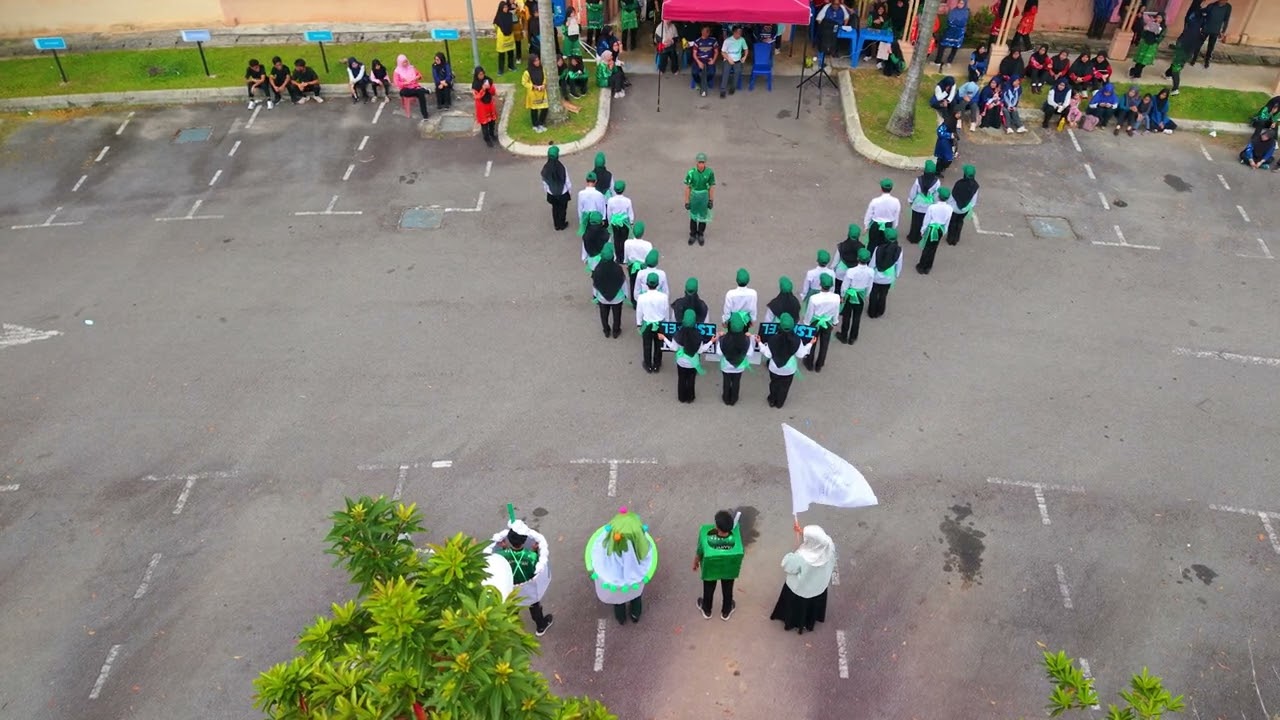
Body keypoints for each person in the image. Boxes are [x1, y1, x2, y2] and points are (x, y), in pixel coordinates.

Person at [586, 507, 657, 625]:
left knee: (618, 599)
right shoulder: (640, 550)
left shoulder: (608, 551)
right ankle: (635, 614)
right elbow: (647, 553)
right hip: (636, 578)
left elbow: (601, 552)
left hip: (613, 576)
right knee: (636, 595)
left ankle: (621, 618)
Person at [487, 513, 554, 636]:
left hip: (511, 590)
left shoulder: (502, 555)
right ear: (524, 540)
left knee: (513, 609)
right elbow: (535, 568)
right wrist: (534, 550)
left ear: (508, 540)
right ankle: (541, 626)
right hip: (528, 589)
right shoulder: (532, 557)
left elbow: (504, 560)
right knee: (534, 607)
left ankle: (513, 629)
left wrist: (504, 548)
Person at [769, 523, 836, 635]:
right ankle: (809, 622)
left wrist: (793, 554)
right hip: (818, 588)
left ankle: (792, 622)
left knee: (795, 606)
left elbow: (787, 566)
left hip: (799, 589)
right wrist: (801, 531)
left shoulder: (802, 557)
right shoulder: (828, 546)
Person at [758, 313, 816, 409]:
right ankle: (780, 403)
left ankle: (772, 400)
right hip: (789, 368)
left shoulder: (772, 339)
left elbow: (767, 354)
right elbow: (801, 354)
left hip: (774, 368)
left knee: (773, 383)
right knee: (785, 387)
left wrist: (759, 342)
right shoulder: (797, 340)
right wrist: (810, 343)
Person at [694, 511, 743, 620]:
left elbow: (699, 551)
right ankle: (726, 611)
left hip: (711, 570)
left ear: (717, 526)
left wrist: (695, 562)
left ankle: (707, 610)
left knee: (708, 589)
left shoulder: (706, 535)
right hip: (728, 570)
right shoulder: (735, 539)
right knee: (727, 589)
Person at [661, 310, 716, 403]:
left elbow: (674, 348)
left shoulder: (677, 335)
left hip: (681, 362)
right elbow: (701, 350)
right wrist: (711, 341)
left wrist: (664, 338)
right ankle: (690, 397)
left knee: (681, 379)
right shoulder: (698, 336)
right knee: (691, 380)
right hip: (693, 363)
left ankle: (681, 397)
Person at [801, 273, 839, 373]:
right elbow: (836, 311)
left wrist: (806, 323)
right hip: (828, 322)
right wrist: (835, 321)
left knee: (812, 342)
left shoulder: (814, 298)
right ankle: (819, 364)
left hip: (815, 322)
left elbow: (809, 312)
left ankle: (809, 363)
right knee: (824, 344)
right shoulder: (836, 297)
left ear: (820, 285)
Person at [636, 272, 671, 373]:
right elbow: (666, 311)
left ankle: (648, 364)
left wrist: (639, 323)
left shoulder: (642, 297)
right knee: (658, 344)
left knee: (647, 345)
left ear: (647, 284)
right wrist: (667, 323)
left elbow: (639, 312)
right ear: (657, 283)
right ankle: (657, 364)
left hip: (647, 324)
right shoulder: (664, 297)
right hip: (659, 324)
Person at [592, 241, 627, 338]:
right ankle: (616, 331)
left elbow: (595, 284)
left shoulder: (597, 269)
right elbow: (623, 282)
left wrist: (595, 295)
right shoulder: (618, 268)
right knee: (617, 314)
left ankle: (606, 330)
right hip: (617, 297)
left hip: (602, 297)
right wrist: (625, 294)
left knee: (604, 314)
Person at [915, 187, 954, 275]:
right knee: (933, 248)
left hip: (931, 229)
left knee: (927, 247)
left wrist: (923, 230)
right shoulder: (950, 208)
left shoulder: (932, 207)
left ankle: (921, 266)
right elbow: (947, 221)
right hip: (940, 229)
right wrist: (944, 231)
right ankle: (928, 266)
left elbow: (927, 220)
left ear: (939, 196)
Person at [838, 249, 873, 344]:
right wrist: (866, 295)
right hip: (861, 295)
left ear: (858, 258)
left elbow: (845, 285)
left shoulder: (851, 271)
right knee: (857, 317)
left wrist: (842, 295)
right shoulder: (871, 272)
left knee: (846, 316)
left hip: (850, 295)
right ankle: (853, 337)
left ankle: (844, 335)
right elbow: (870, 285)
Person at [716, 316, 753, 405]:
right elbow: (749, 353)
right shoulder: (746, 339)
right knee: (736, 381)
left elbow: (719, 353)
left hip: (726, 366)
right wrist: (750, 338)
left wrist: (719, 337)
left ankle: (726, 398)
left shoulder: (723, 339)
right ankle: (734, 399)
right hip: (739, 366)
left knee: (726, 381)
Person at [867, 228, 903, 319]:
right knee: (883, 294)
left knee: (874, 293)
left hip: (876, 277)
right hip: (888, 277)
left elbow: (872, 263)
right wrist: (896, 274)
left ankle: (872, 311)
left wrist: (869, 273)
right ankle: (880, 310)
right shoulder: (899, 250)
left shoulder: (878, 248)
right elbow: (899, 264)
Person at [684, 153, 716, 246]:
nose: (701, 164)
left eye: (703, 162)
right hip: (694, 197)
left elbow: (711, 187)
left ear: (705, 163)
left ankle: (700, 234)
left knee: (703, 218)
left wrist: (711, 200)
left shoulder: (709, 172)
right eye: (699, 162)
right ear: (696, 163)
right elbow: (688, 188)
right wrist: (686, 201)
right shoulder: (691, 173)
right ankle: (693, 234)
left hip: (704, 198)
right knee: (693, 217)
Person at [907, 161, 941, 244]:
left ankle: (913, 237)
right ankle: (921, 237)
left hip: (917, 205)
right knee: (925, 222)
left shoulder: (918, 180)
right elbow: (936, 195)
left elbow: (913, 192)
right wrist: (935, 204)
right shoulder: (937, 182)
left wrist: (911, 200)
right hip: (928, 206)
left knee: (915, 222)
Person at [864, 178, 901, 254]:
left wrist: (866, 226)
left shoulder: (875, 201)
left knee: (872, 244)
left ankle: (869, 260)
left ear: (881, 189)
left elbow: (869, 214)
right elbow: (896, 216)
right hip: (888, 225)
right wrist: (894, 227)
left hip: (875, 225)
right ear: (891, 189)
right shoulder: (896, 201)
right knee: (885, 245)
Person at [947, 165, 980, 246]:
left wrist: (949, 205)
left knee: (952, 222)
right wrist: (968, 207)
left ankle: (950, 238)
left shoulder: (959, 183)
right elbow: (973, 200)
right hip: (965, 209)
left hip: (954, 208)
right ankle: (956, 238)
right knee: (960, 221)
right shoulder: (976, 186)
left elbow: (953, 196)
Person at [542, 146, 572, 232]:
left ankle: (556, 225)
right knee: (563, 209)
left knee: (555, 208)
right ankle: (562, 224)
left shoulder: (545, 168)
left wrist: (547, 191)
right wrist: (569, 191)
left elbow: (544, 182)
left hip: (551, 194)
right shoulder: (562, 167)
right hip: (563, 193)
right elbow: (567, 182)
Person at [1197, 0, 1231, 69]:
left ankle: (1207, 61)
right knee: (1199, 43)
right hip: (1206, 28)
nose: (1224, 1)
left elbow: (1226, 20)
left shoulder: (1228, 7)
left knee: (1211, 46)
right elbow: (1204, 12)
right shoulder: (1212, 5)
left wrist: (1223, 31)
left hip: (1216, 31)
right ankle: (1194, 58)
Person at [394, 54, 430, 119]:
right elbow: (397, 83)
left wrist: (417, 77)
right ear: (400, 63)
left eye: (406, 61)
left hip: (414, 86)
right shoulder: (397, 72)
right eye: (403, 62)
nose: (405, 63)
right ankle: (424, 90)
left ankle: (425, 114)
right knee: (415, 91)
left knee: (421, 94)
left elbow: (419, 75)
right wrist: (405, 83)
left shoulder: (411, 68)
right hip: (405, 89)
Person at [935, 0, 969, 69]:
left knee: (955, 47)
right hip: (950, 30)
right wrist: (955, 22)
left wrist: (956, 22)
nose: (960, 4)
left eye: (962, 3)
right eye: (959, 3)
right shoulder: (953, 10)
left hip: (959, 32)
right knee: (942, 44)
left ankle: (949, 61)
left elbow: (963, 22)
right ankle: (938, 61)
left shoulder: (966, 12)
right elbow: (950, 19)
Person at [1129, 12, 1164, 79]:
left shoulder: (1163, 27)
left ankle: (1135, 71)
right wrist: (1146, 29)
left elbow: (1162, 36)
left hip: (1152, 44)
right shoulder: (1151, 23)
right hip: (1145, 42)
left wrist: (1157, 36)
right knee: (1140, 59)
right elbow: (1144, 32)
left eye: (1160, 18)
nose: (1158, 19)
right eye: (1157, 17)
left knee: (1144, 60)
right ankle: (1137, 74)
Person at [833, 224, 863, 296]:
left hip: (840, 273)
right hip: (853, 274)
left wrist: (832, 270)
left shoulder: (842, 245)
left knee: (837, 290)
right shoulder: (861, 247)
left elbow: (835, 261)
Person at [472, 67, 499, 147]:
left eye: (483, 74)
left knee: (492, 121)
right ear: (476, 75)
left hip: (489, 103)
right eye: (480, 75)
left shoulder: (488, 80)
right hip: (482, 106)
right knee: (484, 124)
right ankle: (487, 139)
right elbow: (477, 97)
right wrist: (483, 89)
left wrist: (489, 87)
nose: (482, 76)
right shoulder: (475, 85)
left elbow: (493, 92)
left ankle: (492, 134)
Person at [522, 56, 550, 132]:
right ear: (532, 62)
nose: (538, 62)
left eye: (538, 60)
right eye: (535, 61)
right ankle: (535, 125)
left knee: (545, 107)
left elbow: (544, 77)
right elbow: (524, 82)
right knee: (534, 109)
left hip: (542, 91)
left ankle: (541, 123)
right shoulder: (527, 72)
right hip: (533, 93)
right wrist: (533, 86)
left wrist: (543, 85)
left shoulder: (542, 68)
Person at [720, 26, 749, 98]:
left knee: (737, 73)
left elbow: (746, 49)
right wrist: (728, 59)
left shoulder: (742, 40)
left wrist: (745, 57)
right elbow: (723, 52)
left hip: (737, 60)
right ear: (734, 32)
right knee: (725, 73)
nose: (739, 34)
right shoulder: (727, 40)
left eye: (740, 33)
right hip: (728, 59)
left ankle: (733, 88)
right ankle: (723, 90)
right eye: (738, 32)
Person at [623, 221, 652, 290]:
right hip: (643, 267)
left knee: (632, 282)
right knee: (644, 283)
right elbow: (649, 258)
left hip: (632, 266)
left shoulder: (627, 242)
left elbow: (626, 255)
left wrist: (626, 263)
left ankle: (633, 299)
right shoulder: (648, 245)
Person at [691, 26, 719, 98]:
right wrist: (699, 62)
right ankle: (699, 82)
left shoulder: (713, 40)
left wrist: (713, 60)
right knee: (694, 72)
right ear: (701, 32)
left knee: (711, 72)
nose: (706, 33)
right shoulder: (697, 41)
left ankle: (704, 82)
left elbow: (716, 52)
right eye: (704, 31)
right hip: (699, 59)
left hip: (709, 59)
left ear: (709, 32)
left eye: (707, 31)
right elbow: (694, 54)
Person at [605, 180, 634, 248]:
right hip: (624, 222)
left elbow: (609, 213)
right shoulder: (627, 200)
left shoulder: (610, 200)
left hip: (614, 222)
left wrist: (610, 222)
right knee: (624, 239)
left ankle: (618, 256)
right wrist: (631, 222)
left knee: (616, 239)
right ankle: (623, 254)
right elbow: (630, 213)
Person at [577, 171, 606, 238]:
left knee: (586, 238)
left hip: (585, 218)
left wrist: (581, 221)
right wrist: (603, 219)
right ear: (595, 181)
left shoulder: (581, 193)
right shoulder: (599, 194)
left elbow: (580, 208)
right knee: (597, 237)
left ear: (586, 181)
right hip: (596, 219)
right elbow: (602, 208)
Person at [495, 1, 518, 75]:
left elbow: (515, 21)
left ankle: (511, 66)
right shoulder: (498, 16)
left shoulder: (510, 15)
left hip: (510, 35)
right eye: (504, 7)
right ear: (501, 8)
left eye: (506, 7)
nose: (506, 8)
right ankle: (500, 69)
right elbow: (495, 26)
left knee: (510, 52)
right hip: (502, 37)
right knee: (501, 54)